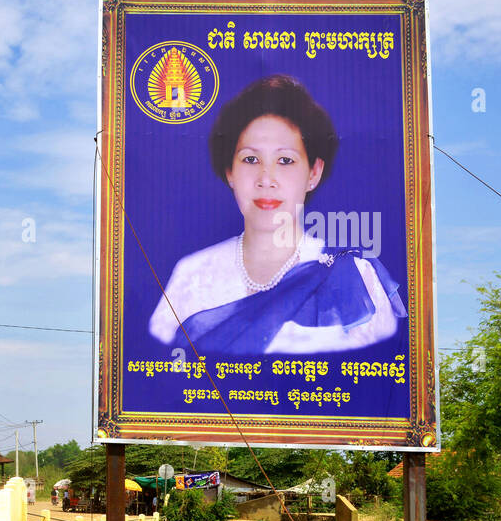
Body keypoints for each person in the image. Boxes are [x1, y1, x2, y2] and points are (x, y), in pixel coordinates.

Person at [148, 74, 406, 355]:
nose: (266, 179)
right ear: (229, 171)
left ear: (314, 173)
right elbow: (162, 370)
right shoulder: (193, 275)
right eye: (250, 159)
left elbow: (383, 380)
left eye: (285, 160)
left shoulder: (355, 278)